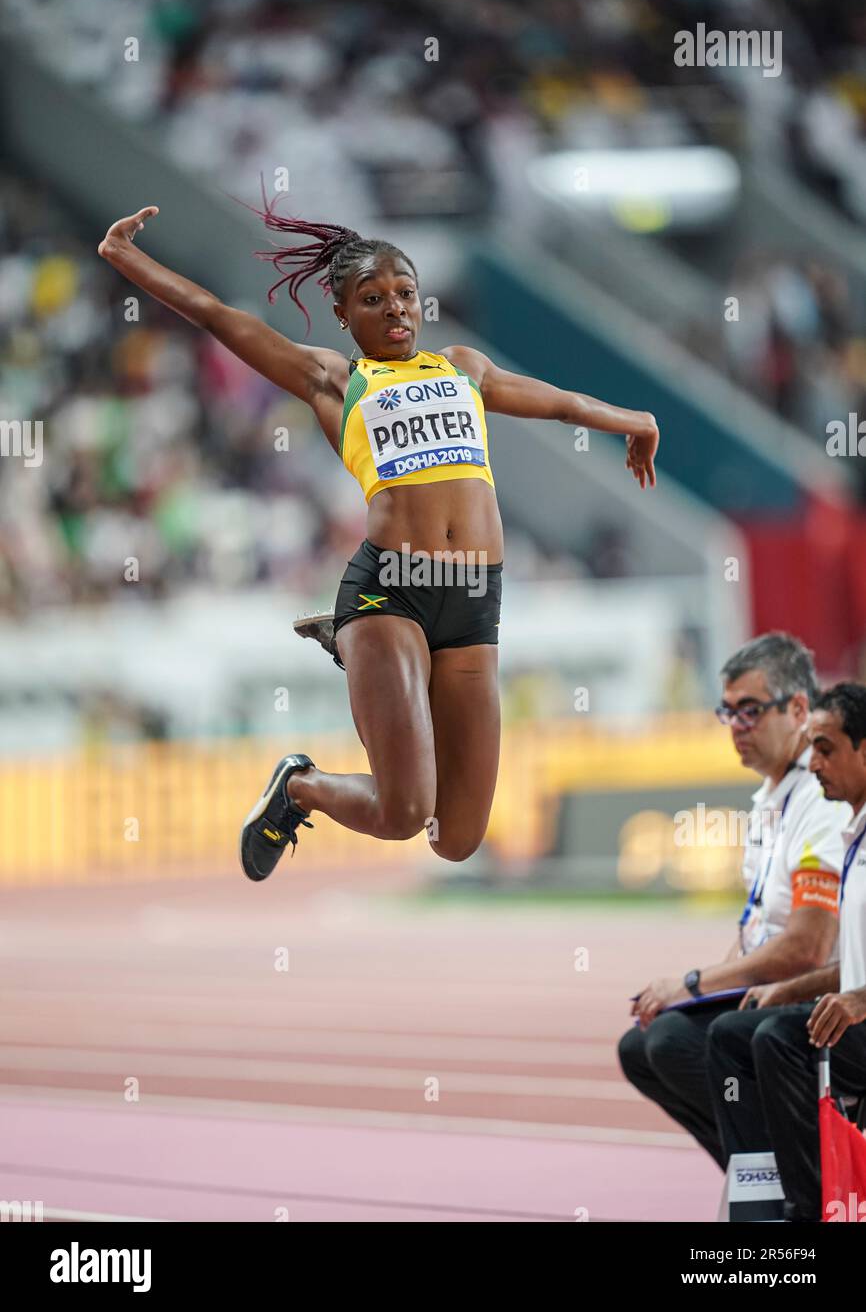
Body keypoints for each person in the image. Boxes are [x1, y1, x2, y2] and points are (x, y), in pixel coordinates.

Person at [97, 200, 659, 882]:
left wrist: (635, 420)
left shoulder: (463, 368)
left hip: (476, 602)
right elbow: (220, 316)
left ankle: (349, 648)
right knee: (401, 811)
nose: (396, 309)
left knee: (456, 838)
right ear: (344, 315)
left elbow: (561, 402)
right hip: (391, 591)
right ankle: (300, 785)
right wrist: (126, 256)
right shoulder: (337, 379)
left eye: (406, 294)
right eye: (374, 298)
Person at [618, 632, 848, 1168]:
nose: (738, 728)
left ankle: (789, 1172)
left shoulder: (821, 797)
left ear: (797, 709)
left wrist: (695, 984)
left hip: (816, 995)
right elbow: (758, 932)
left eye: (751, 711)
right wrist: (696, 990)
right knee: (642, 1047)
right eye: (728, 713)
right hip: (773, 991)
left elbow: (808, 948)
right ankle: (761, 1170)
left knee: (676, 1041)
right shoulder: (772, 797)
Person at [706, 682, 866, 1222]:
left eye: (826, 748)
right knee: (731, 1031)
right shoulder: (853, 837)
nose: (813, 762)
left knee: (781, 1039)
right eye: (811, 748)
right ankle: (760, 1206)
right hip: (854, 1012)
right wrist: (786, 989)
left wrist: (858, 1000)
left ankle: (814, 1211)